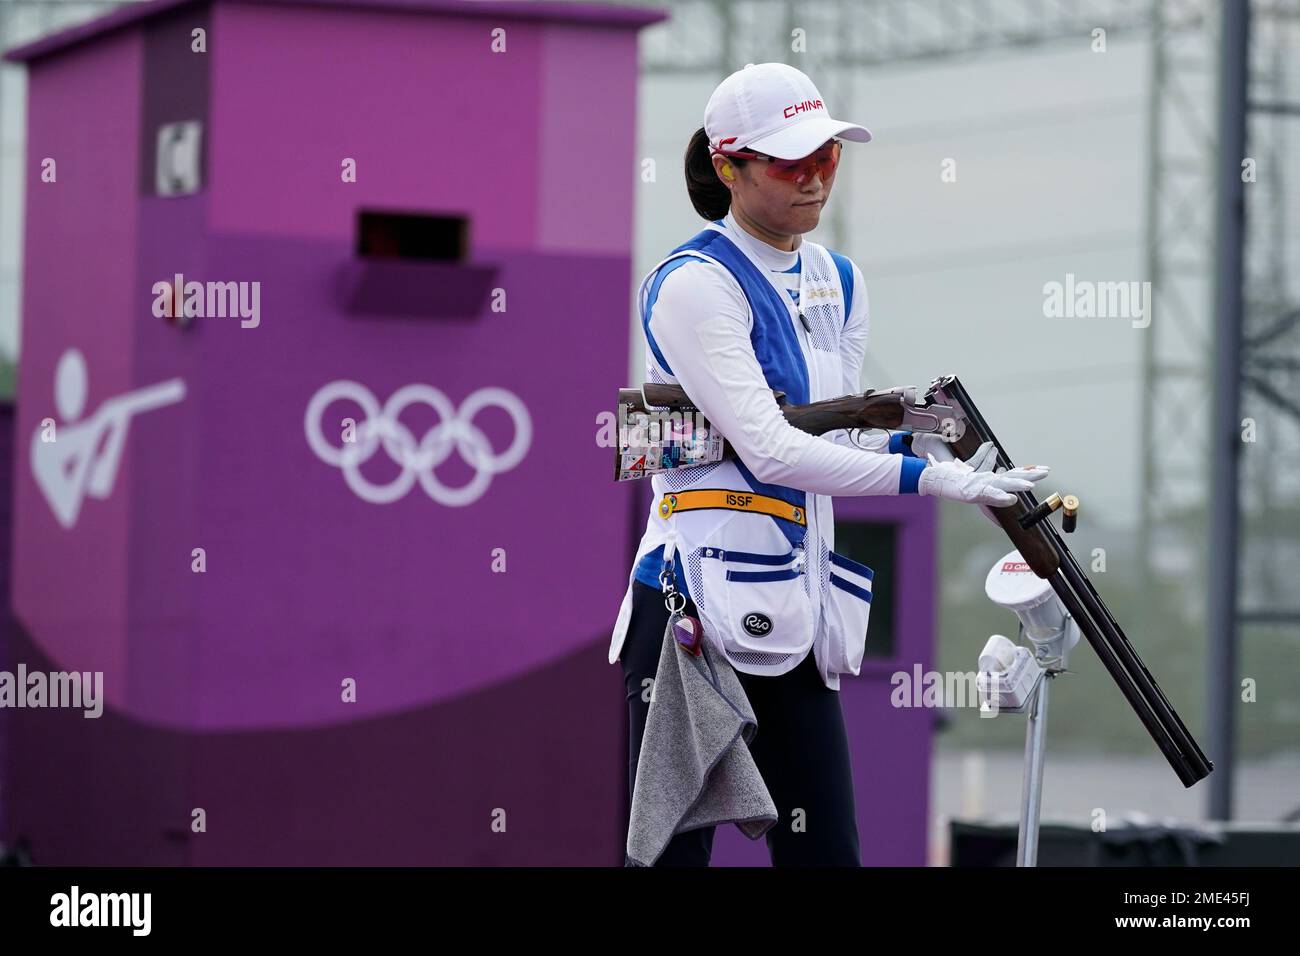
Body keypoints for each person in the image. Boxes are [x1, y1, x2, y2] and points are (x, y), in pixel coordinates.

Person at [607, 63, 1049, 866]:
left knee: (829, 856)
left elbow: (837, 446)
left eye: (828, 156)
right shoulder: (692, 284)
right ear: (728, 166)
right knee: (669, 861)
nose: (815, 178)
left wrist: (928, 445)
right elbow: (772, 449)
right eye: (790, 162)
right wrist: (935, 479)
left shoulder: (838, 280)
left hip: (797, 611)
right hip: (690, 611)